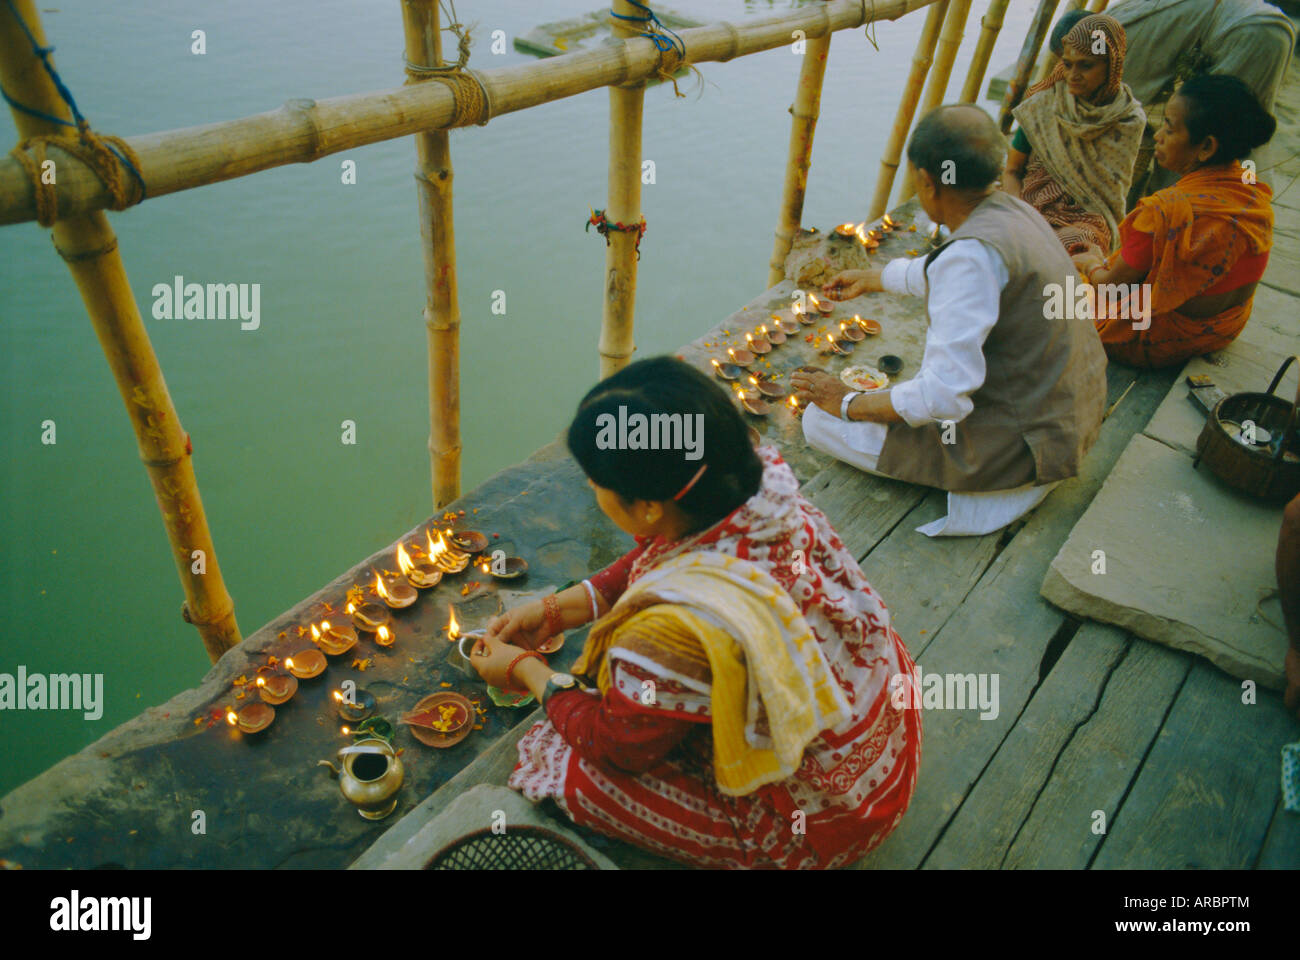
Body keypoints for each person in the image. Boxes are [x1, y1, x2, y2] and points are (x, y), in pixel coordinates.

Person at [470, 356, 922, 869]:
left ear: (647, 508)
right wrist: (559, 608)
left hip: (823, 822)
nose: (592, 491)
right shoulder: (759, 489)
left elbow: (617, 747)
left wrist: (525, 670)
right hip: (879, 748)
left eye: (596, 482)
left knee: (572, 765)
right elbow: (667, 552)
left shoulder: (668, 632)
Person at [793, 105, 1108, 537]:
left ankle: (995, 488)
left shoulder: (970, 257)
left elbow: (943, 398)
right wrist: (875, 278)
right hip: (1071, 420)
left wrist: (847, 401)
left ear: (926, 180)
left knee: (817, 422)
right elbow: (954, 270)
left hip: (1023, 447)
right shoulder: (1014, 211)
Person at [1071, 74, 1276, 367]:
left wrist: (1090, 264)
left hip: (1155, 342)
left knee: (1051, 288)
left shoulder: (1162, 213)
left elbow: (1108, 287)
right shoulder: (1253, 195)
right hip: (1225, 328)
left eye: (1169, 126)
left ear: (1206, 147)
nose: (1158, 135)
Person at [1106, 0, 1294, 197]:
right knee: (1235, 134)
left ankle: (1220, 201)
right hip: (1261, 28)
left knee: (1222, 136)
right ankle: (1240, 199)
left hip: (1251, 35)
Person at [1003, 13, 1146, 254]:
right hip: (1027, 206)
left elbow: (1108, 200)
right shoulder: (1044, 106)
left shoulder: (1128, 120)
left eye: (1086, 65)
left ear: (1111, 63)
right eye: (1067, 64)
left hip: (1086, 222)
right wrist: (1021, 212)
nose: (1073, 75)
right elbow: (1011, 171)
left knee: (1068, 246)